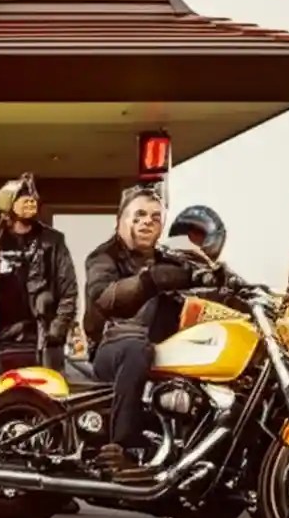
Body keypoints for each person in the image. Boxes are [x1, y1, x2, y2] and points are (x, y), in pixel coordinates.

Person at [83, 184, 205, 478]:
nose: (147, 221)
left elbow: (203, 290)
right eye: (138, 215)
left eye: (154, 216)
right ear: (120, 219)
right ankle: (121, 448)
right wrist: (148, 281)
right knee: (137, 350)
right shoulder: (104, 257)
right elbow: (105, 296)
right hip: (113, 347)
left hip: (162, 348)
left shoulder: (171, 260)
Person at [0, 173, 79, 384]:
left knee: (44, 401)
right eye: (24, 197)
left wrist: (57, 330)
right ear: (8, 203)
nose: (30, 202)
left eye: (33, 198)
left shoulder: (53, 241)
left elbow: (68, 291)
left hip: (40, 341)